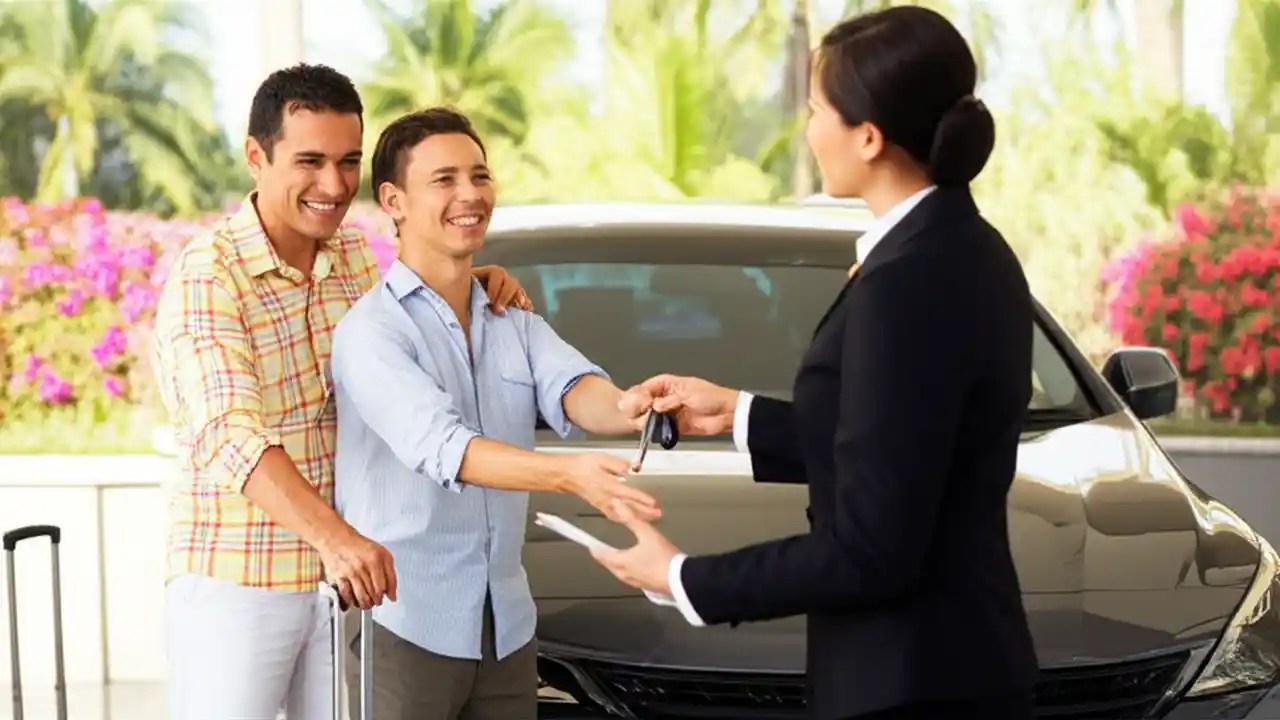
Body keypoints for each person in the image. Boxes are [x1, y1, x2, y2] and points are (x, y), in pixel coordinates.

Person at [592, 7, 1039, 720]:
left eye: (815, 110)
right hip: (957, 662)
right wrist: (737, 414)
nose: (808, 129)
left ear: (868, 135)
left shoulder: (908, 280)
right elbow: (905, 447)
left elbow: (871, 549)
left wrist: (684, 578)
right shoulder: (962, 246)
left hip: (908, 682)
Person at [151, 65, 531, 720]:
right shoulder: (208, 275)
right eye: (309, 161)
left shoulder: (354, 258)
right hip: (240, 583)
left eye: (348, 160)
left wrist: (475, 281)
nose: (333, 185)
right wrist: (335, 539)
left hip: (345, 588)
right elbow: (229, 434)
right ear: (255, 157)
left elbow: (409, 328)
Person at [329, 106, 661, 720]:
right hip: (407, 623)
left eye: (480, 176)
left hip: (505, 623)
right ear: (394, 200)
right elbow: (445, 447)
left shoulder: (512, 316)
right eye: (445, 180)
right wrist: (568, 476)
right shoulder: (372, 332)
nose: (471, 195)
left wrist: (638, 407)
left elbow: (574, 387)